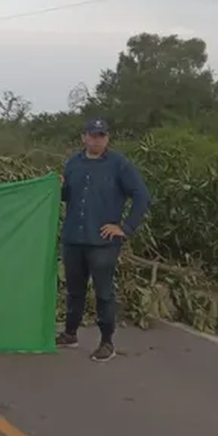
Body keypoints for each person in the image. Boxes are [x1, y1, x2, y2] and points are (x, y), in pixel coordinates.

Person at [56, 118, 151, 362]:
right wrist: (57, 188)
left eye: (102, 136)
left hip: (103, 242)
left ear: (107, 138)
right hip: (74, 238)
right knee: (74, 290)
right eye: (93, 135)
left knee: (103, 293)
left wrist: (125, 227)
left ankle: (107, 342)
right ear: (84, 137)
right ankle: (70, 333)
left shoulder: (119, 164)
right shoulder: (73, 163)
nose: (97, 139)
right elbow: (67, 196)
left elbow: (141, 195)